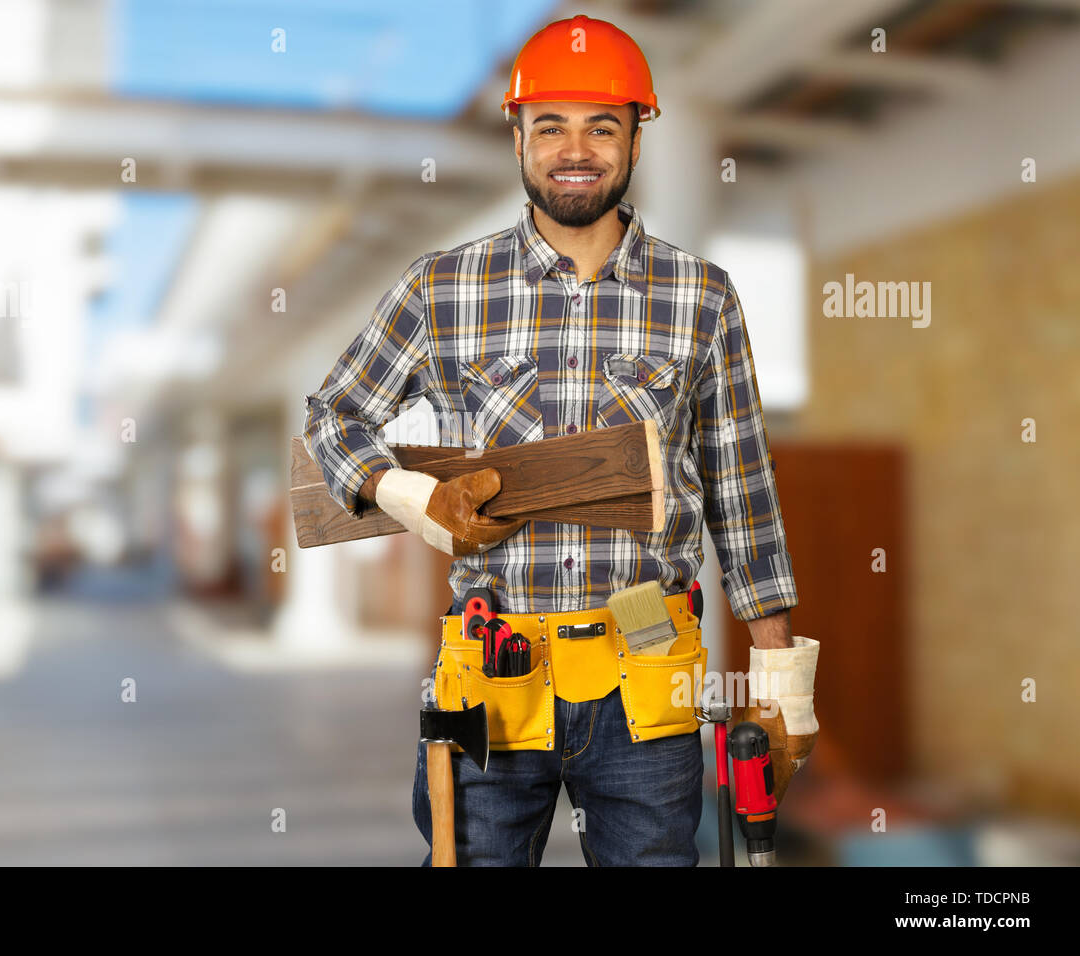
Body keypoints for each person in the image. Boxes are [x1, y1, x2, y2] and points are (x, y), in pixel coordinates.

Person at [303, 14, 819, 866]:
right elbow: (333, 416)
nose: (575, 149)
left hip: (649, 668)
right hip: (491, 675)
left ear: (636, 139)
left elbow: (743, 495)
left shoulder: (702, 296)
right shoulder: (442, 289)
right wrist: (413, 497)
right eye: (551, 126)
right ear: (517, 136)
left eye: (601, 127)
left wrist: (780, 679)